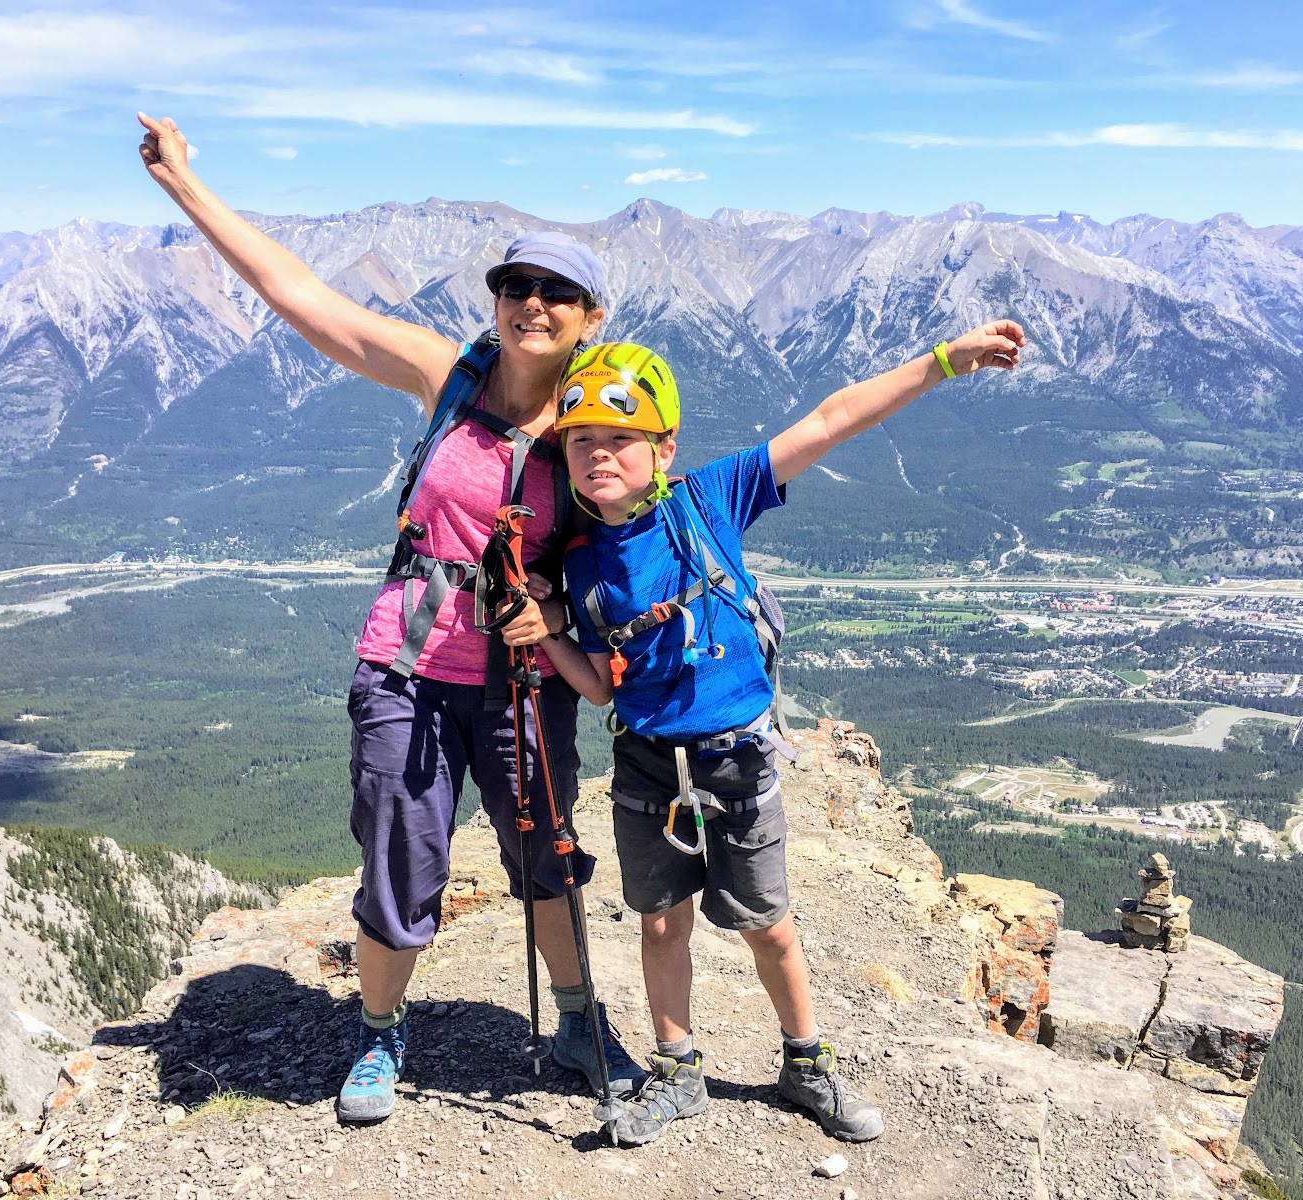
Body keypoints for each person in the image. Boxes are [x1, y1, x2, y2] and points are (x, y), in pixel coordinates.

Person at [135, 113, 644, 1123]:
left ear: (589, 316)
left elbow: (639, 530)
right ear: (495, 302)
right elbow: (302, 299)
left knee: (542, 852)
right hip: (406, 668)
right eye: (516, 286)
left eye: (556, 293)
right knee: (398, 858)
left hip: (525, 680)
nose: (532, 304)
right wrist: (184, 189)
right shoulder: (443, 375)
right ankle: (378, 1035)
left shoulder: (599, 424)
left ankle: (580, 1018)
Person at [531, 327, 1025, 1146]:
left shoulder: (710, 500)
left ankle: (805, 1063)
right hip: (648, 762)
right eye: (582, 441)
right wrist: (545, 633)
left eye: (621, 439)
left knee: (769, 925)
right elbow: (596, 683)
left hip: (735, 759)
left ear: (664, 447)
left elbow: (832, 421)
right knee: (661, 922)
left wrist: (943, 363)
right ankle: (677, 1070)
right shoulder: (583, 561)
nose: (598, 455)